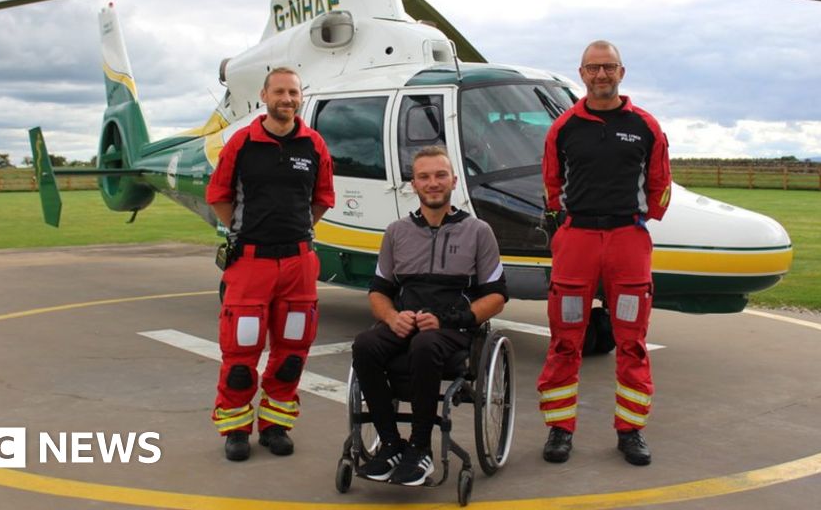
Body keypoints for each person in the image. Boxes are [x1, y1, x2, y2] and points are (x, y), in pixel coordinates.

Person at [538, 40, 671, 466]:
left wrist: (638, 222)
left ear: (621, 72)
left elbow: (660, 186)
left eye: (608, 67)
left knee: (631, 341)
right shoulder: (563, 127)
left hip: (627, 239)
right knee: (565, 339)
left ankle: (630, 431)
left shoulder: (646, 126)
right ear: (582, 74)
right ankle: (560, 429)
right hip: (577, 239)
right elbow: (551, 185)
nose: (601, 75)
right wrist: (565, 223)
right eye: (593, 68)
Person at [351, 146, 508, 486]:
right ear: (413, 184)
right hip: (405, 322)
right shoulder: (396, 232)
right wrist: (392, 317)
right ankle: (391, 443)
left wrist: (450, 320)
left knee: (425, 344)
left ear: (453, 180)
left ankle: (420, 447)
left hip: (454, 328)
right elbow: (378, 291)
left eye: (440, 175)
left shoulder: (479, 231)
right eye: (424, 176)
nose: (433, 183)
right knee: (364, 344)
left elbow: (496, 296)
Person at [205, 67, 335, 461]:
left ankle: (276, 425)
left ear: (301, 97)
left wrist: (296, 232)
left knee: (292, 350)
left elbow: (322, 198)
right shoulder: (242, 143)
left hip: (298, 262)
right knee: (241, 351)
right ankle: (236, 429)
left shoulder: (314, 145)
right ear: (264, 95)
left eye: (293, 92)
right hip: (250, 263)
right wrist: (249, 231)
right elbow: (219, 196)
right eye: (279, 91)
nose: (287, 99)